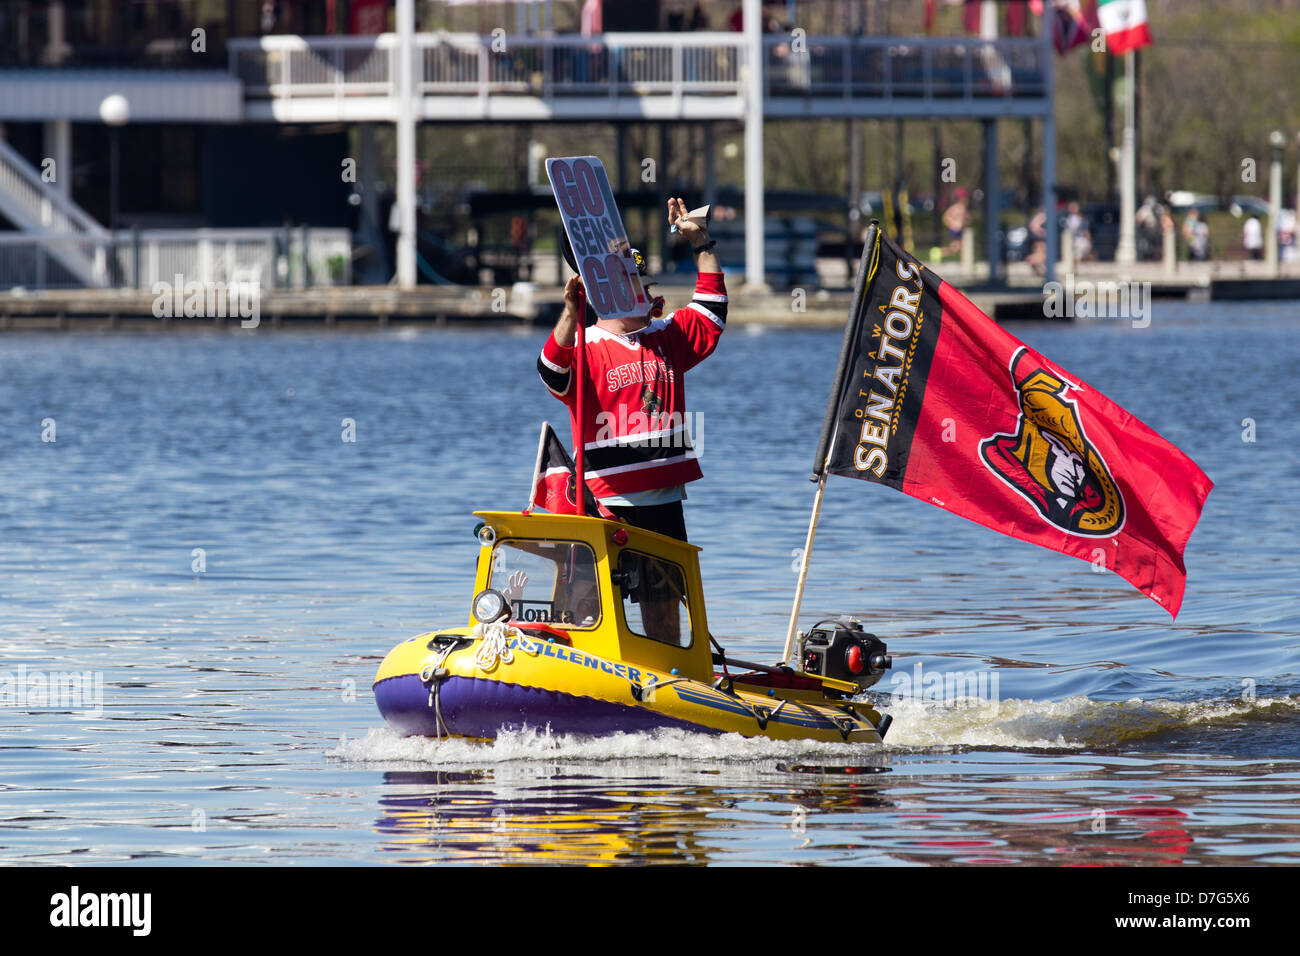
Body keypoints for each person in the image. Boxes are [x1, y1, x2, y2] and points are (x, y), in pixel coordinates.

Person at [536, 198, 725, 543]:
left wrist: (700, 242)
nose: (648, 294)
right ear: (610, 293)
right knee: (595, 598)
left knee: (665, 597)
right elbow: (551, 371)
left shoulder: (667, 335)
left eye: (647, 285)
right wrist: (569, 311)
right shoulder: (584, 343)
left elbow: (712, 309)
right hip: (606, 501)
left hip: (666, 499)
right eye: (639, 286)